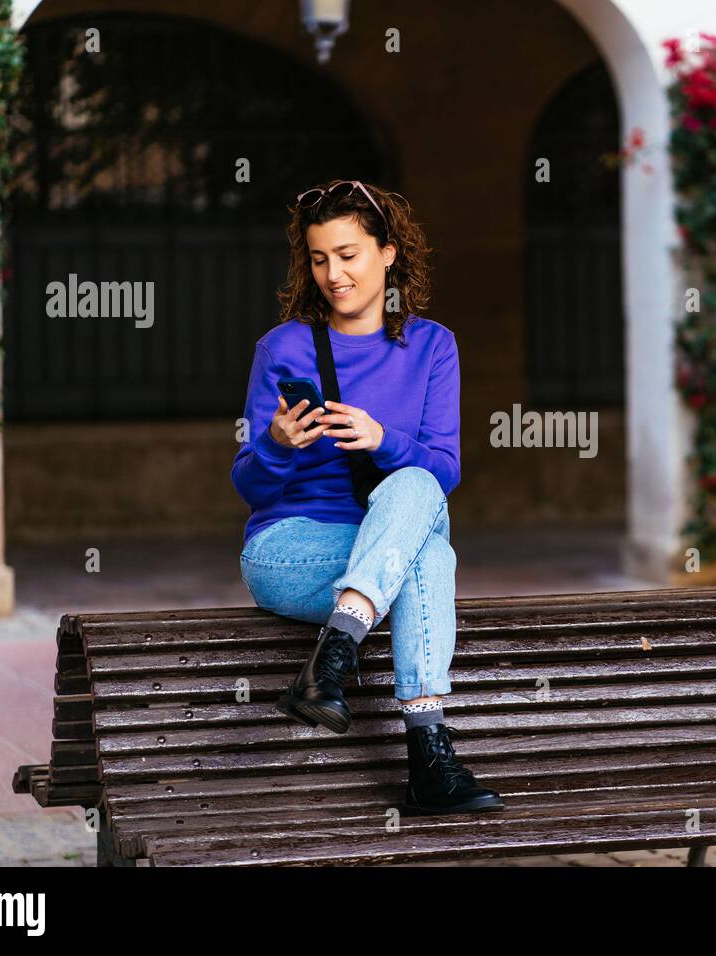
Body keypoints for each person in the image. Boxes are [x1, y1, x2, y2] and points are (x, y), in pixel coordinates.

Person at [231, 179, 502, 815]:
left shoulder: (433, 345)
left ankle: (336, 663)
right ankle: (429, 762)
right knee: (426, 550)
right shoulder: (283, 348)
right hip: (287, 550)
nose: (334, 274)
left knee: (419, 511)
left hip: (379, 553)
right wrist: (275, 443)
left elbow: (444, 469)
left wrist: (383, 439)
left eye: (349, 255)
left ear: (387, 253)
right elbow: (248, 484)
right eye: (320, 258)